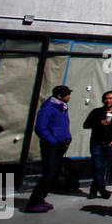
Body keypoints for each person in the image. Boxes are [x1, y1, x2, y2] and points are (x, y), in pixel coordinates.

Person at [25, 85, 74, 213]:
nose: (69, 96)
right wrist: (53, 141)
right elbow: (41, 128)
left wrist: (67, 137)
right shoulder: (49, 108)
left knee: (52, 174)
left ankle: (41, 199)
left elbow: (62, 125)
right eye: (68, 94)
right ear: (59, 96)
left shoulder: (61, 107)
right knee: (48, 174)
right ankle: (34, 202)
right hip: (51, 146)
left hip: (60, 145)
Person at [84, 90, 112, 199]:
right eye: (106, 98)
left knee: (102, 168)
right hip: (97, 142)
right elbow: (86, 124)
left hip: (109, 143)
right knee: (97, 167)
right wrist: (100, 123)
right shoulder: (96, 112)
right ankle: (102, 190)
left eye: (110, 98)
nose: (108, 101)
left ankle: (93, 190)